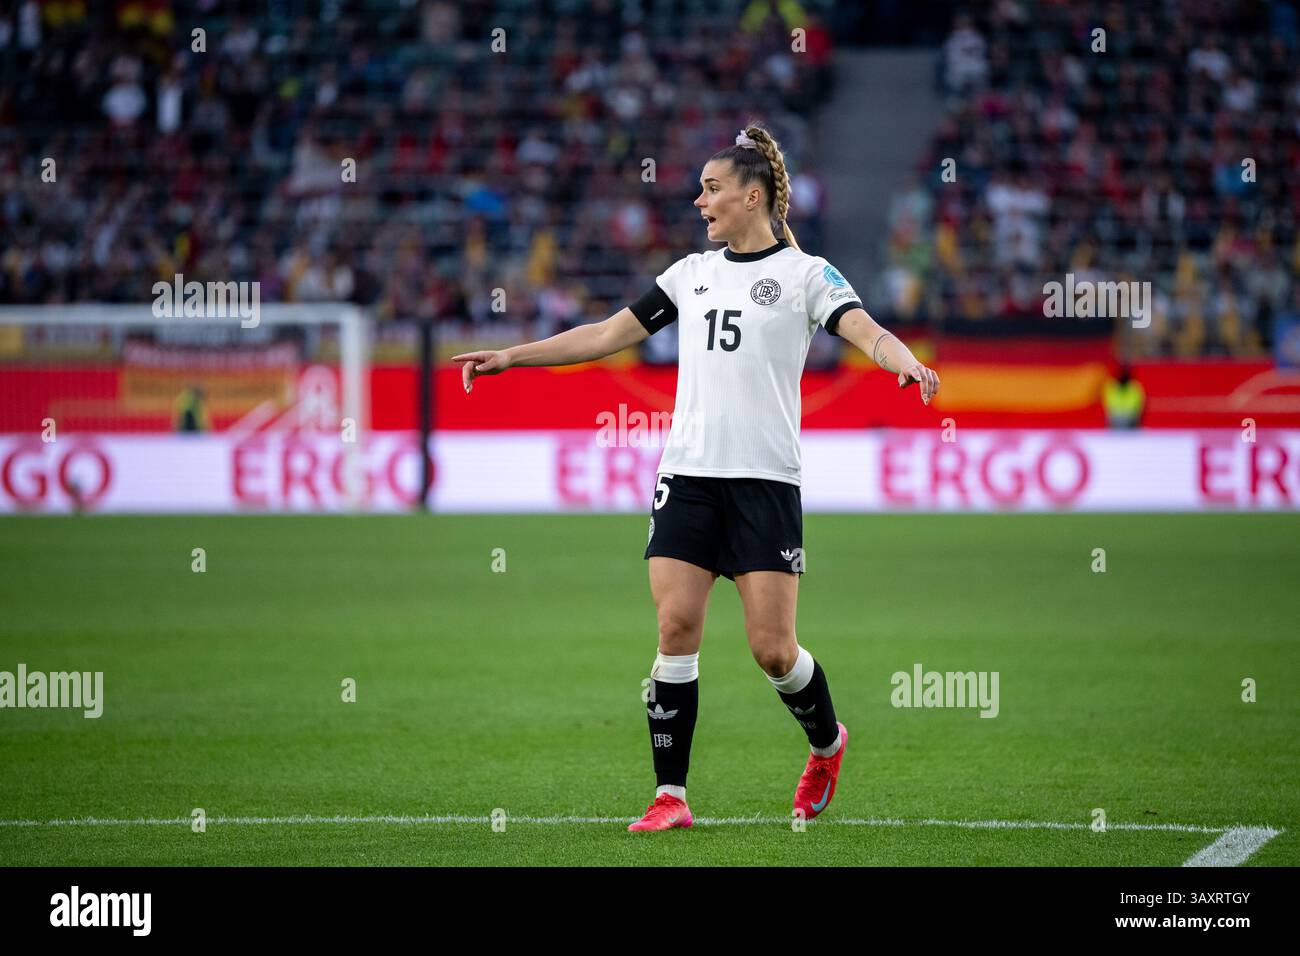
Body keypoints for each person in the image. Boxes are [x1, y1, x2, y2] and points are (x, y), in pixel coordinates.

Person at [452, 123, 939, 832]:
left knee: (773, 650)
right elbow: (605, 333)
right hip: (687, 475)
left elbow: (863, 327)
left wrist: (905, 362)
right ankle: (670, 797)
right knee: (675, 626)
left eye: (710, 190)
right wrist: (513, 355)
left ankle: (827, 744)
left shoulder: (807, 275)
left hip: (765, 483)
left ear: (752, 195)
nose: (698, 201)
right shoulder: (690, 273)